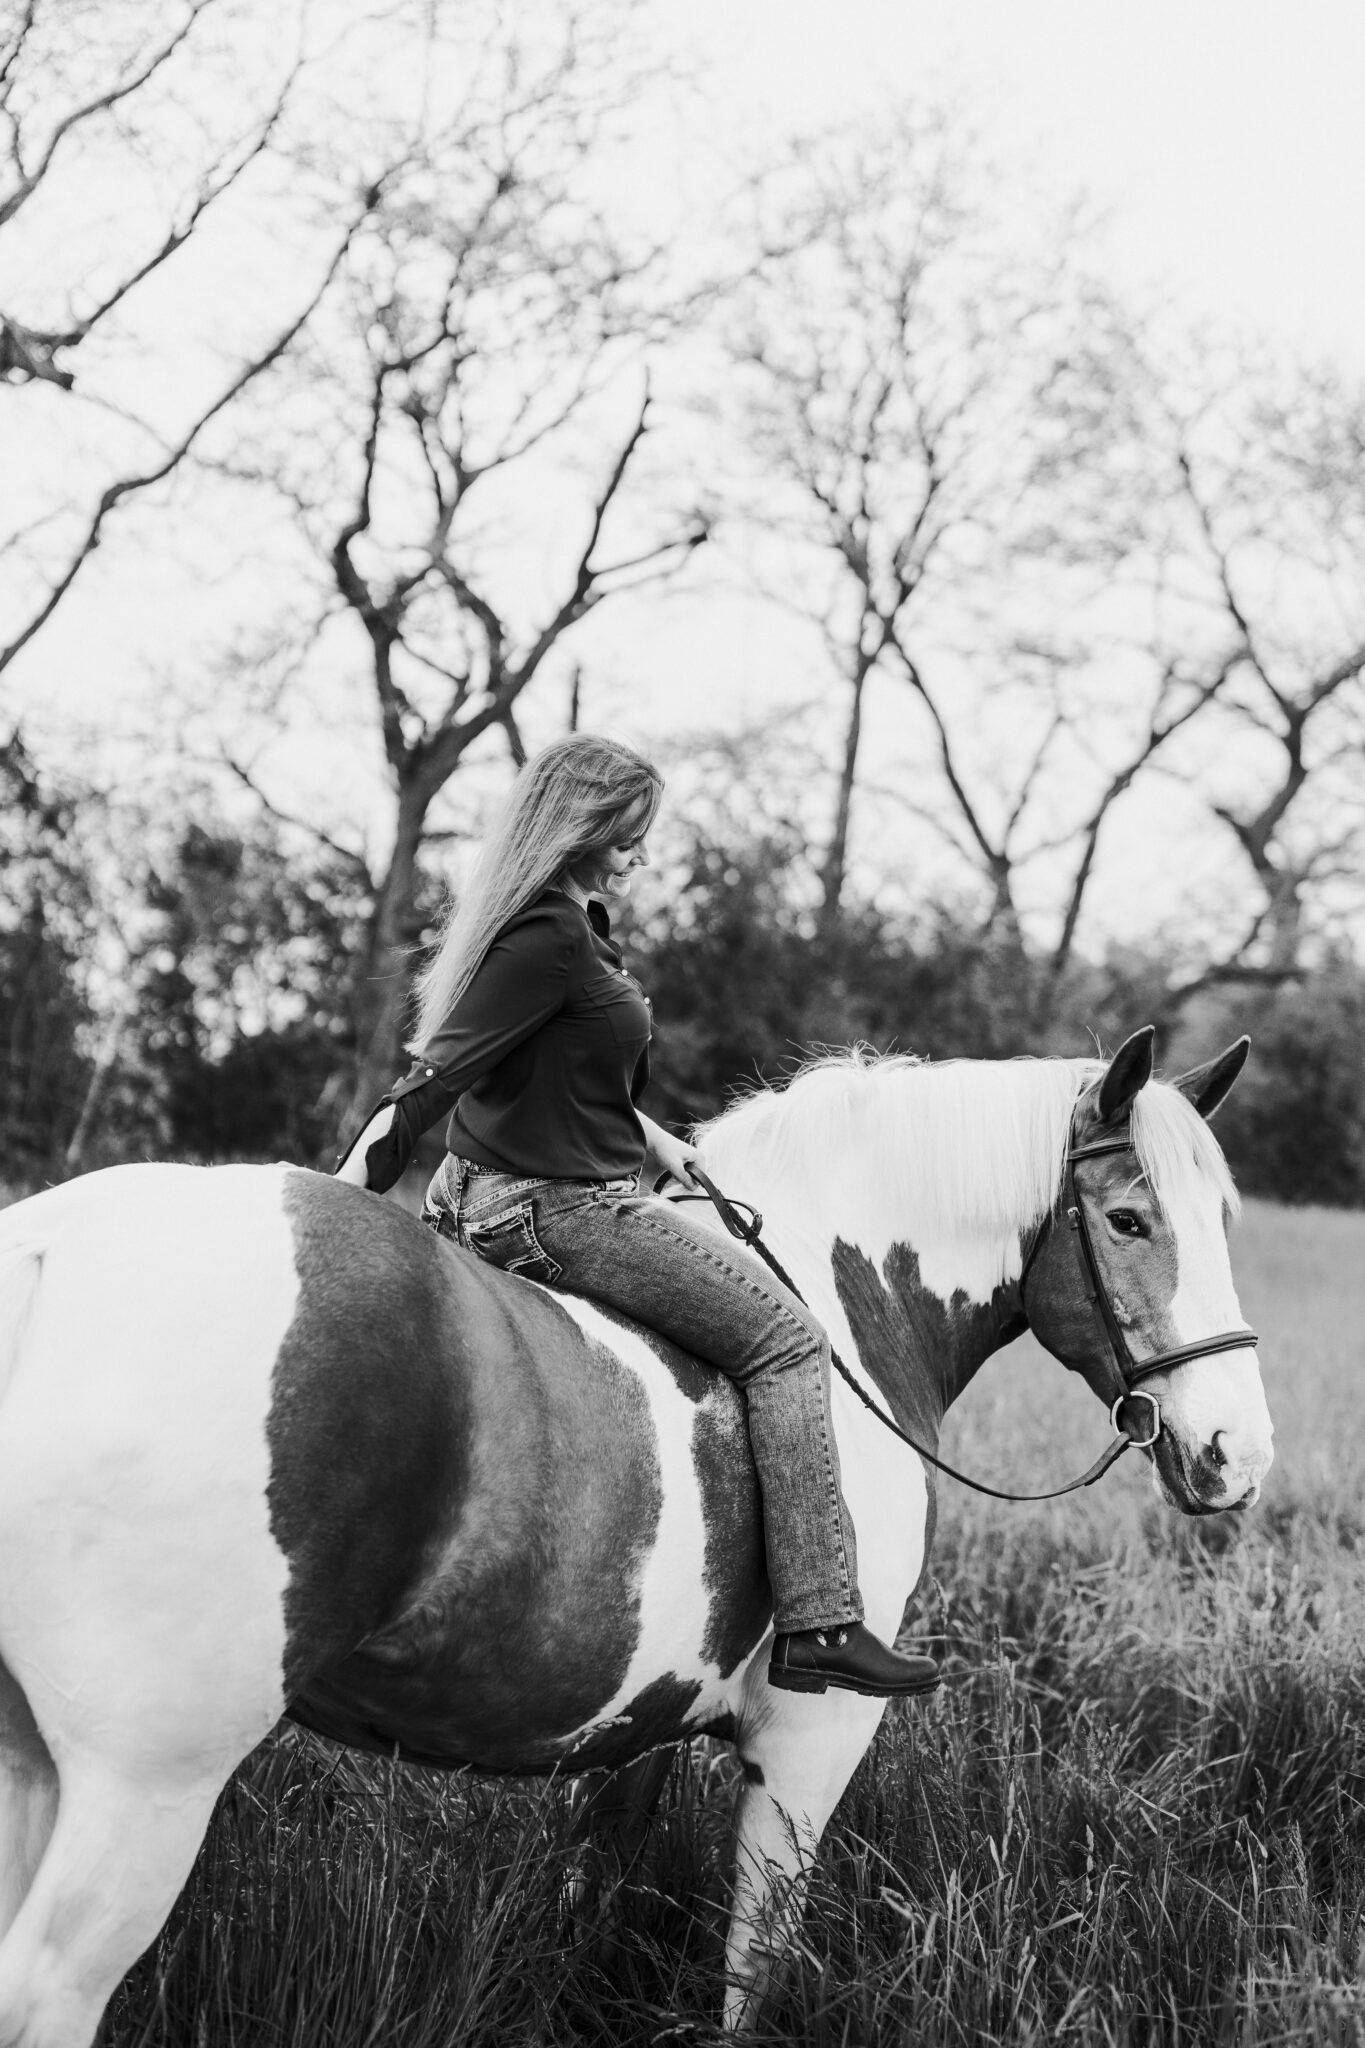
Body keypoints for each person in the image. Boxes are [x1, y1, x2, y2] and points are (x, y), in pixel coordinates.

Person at [337, 734, 938, 1700]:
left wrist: (656, 1138)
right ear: (580, 826)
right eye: (629, 835)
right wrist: (340, 1202)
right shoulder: (548, 938)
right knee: (787, 1342)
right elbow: (433, 1081)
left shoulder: (570, 927)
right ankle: (821, 1621)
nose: (641, 855)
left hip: (547, 1184)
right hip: (553, 1208)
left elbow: (559, 1064)